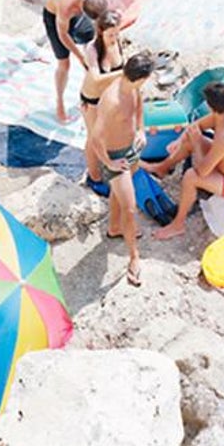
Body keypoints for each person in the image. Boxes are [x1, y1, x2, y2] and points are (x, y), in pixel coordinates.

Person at [145, 80, 224, 236]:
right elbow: (196, 126)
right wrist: (179, 141)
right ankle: (162, 167)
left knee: (191, 176)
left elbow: (202, 171)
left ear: (210, 106)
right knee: (192, 138)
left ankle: (178, 224)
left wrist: (197, 142)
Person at [86, 50, 152, 284]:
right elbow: (95, 139)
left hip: (131, 150)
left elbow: (139, 106)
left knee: (119, 196)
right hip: (114, 158)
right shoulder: (112, 100)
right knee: (130, 207)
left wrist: (141, 129)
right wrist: (109, 162)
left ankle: (114, 227)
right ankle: (134, 257)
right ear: (141, 77)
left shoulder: (134, 88)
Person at [42, 0, 113, 121]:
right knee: (64, 63)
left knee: (93, 51)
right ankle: (59, 102)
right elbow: (63, 35)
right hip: (54, 16)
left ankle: (92, 95)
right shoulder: (66, 7)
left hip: (82, 9)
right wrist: (80, 58)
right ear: (80, 8)